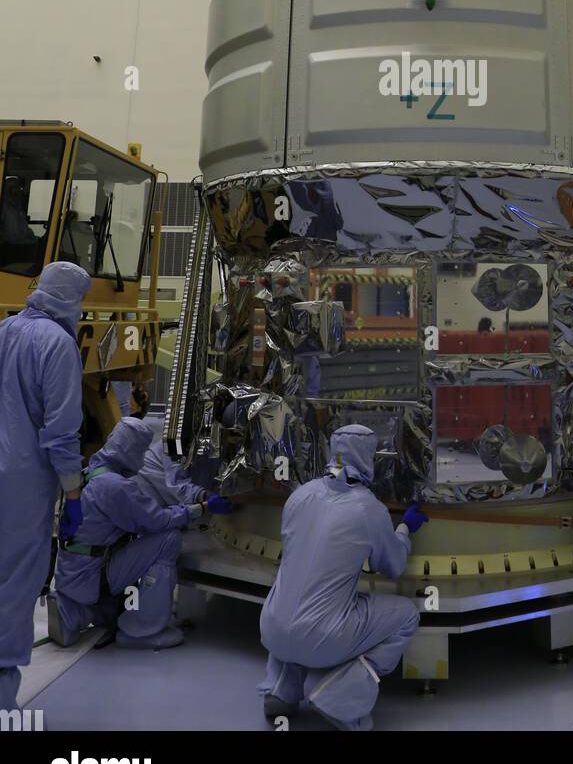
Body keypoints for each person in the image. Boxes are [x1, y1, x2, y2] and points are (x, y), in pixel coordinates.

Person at [259, 424, 426, 731]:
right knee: (407, 615)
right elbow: (393, 565)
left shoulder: (300, 494)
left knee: (298, 596)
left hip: (271, 627)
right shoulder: (367, 508)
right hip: (323, 639)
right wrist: (403, 529)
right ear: (367, 457)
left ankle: (279, 691)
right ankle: (338, 697)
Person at [47, 417, 236, 651]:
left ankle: (75, 612)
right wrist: (204, 507)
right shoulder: (114, 486)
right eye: (140, 451)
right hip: (93, 576)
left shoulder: (91, 473)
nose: (141, 458)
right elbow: (158, 521)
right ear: (130, 450)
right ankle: (141, 631)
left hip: (73, 573)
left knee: (110, 602)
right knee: (168, 539)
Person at [0, 260, 91, 710]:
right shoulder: (57, 344)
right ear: (73, 300)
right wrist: (73, 495)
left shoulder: (5, 330)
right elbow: (59, 433)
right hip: (22, 487)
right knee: (15, 587)